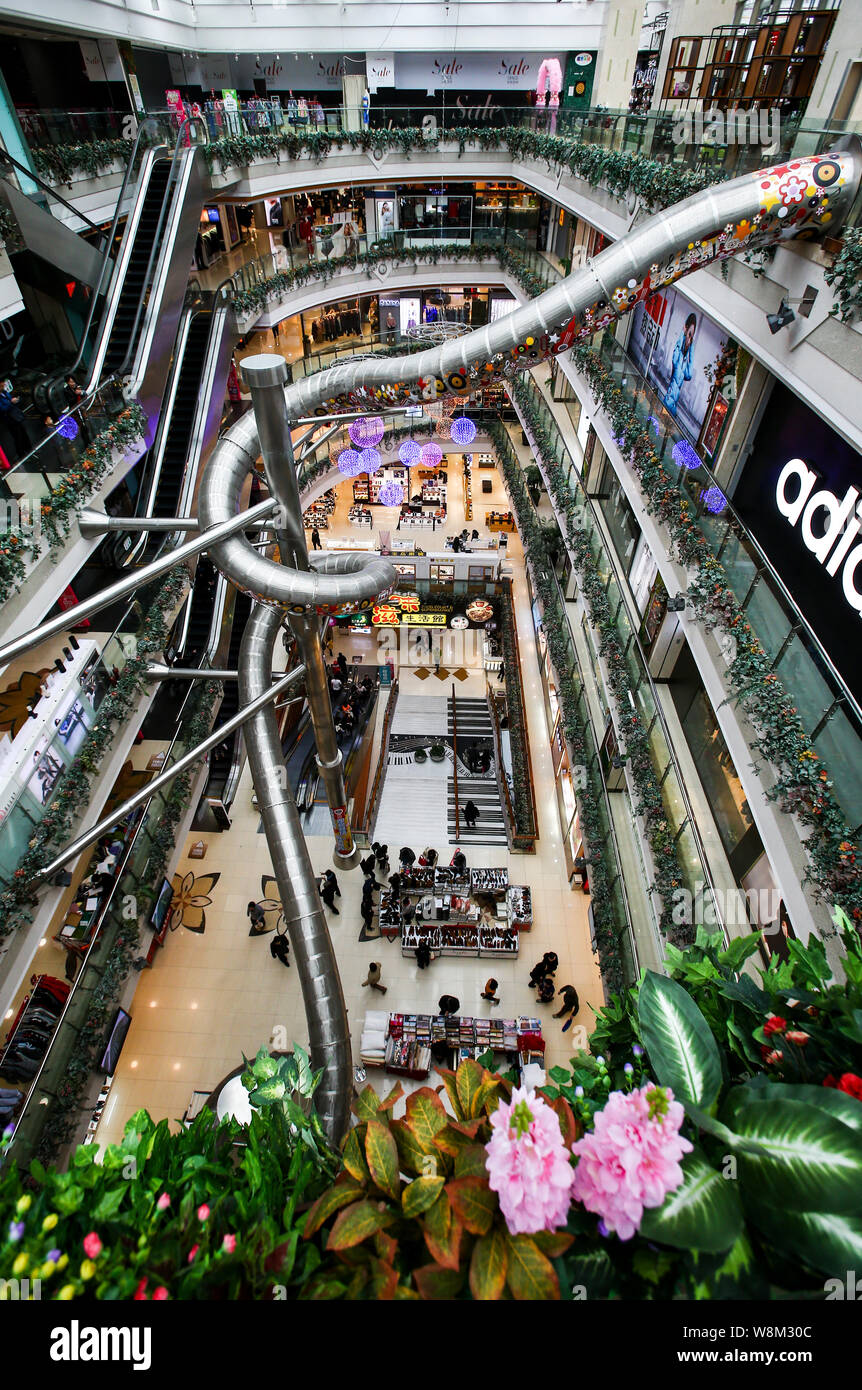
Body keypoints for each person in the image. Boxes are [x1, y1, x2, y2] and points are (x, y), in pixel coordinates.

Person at [663, 312, 697, 417]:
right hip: (668, 402)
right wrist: (682, 335)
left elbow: (689, 375)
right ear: (685, 330)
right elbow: (676, 354)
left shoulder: (685, 363)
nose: (689, 340)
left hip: (673, 406)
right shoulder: (678, 357)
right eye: (689, 335)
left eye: (692, 337)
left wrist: (691, 347)